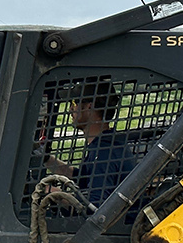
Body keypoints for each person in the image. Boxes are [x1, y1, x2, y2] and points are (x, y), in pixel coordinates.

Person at [45, 79, 136, 208]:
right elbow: (82, 178)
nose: (71, 109)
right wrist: (45, 159)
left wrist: (50, 192)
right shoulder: (105, 144)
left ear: (89, 106)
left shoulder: (105, 153)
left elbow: (94, 208)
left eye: (75, 102)